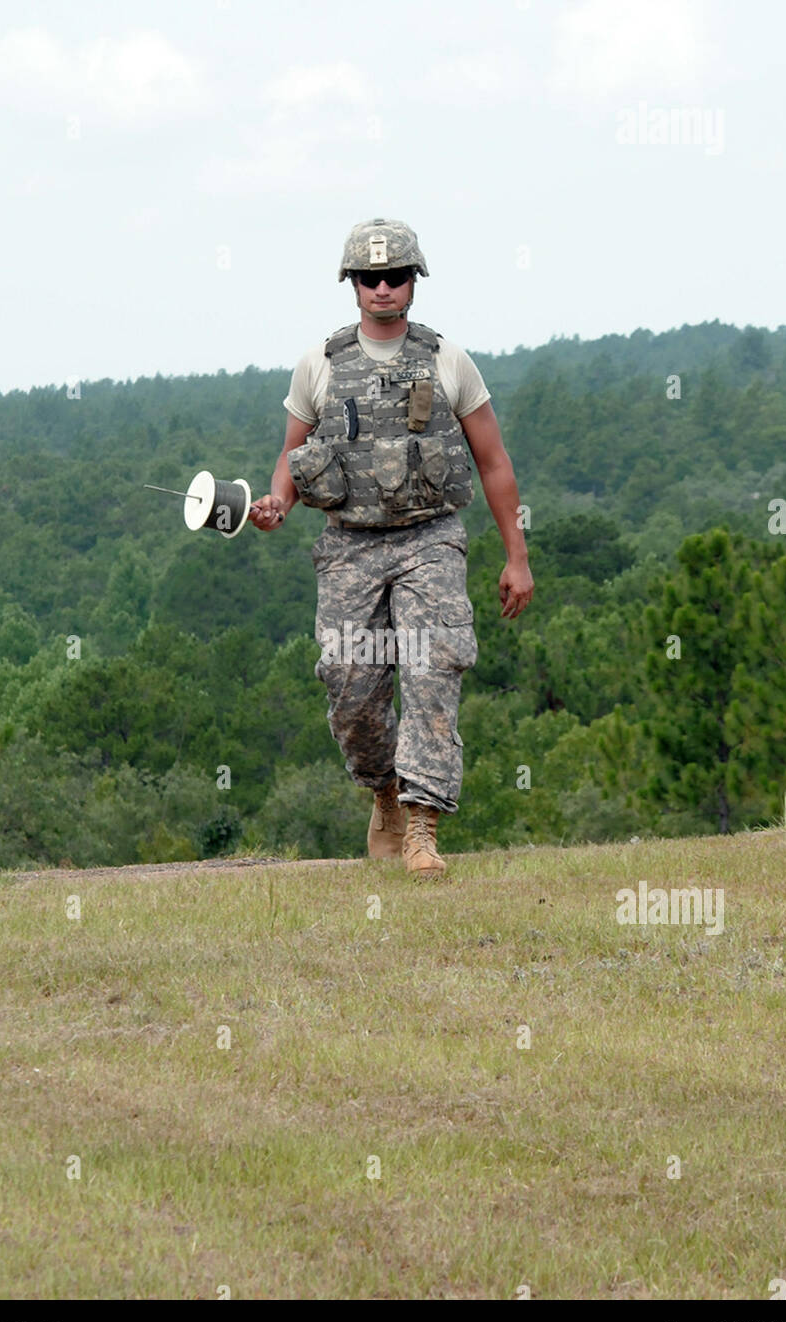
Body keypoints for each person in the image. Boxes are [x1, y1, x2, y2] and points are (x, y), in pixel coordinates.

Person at [250, 217, 533, 876]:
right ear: (352, 285)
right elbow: (292, 460)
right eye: (369, 278)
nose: (383, 288)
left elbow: (494, 463)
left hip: (429, 537)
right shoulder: (319, 365)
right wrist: (276, 505)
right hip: (348, 544)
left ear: (414, 281)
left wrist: (516, 555)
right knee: (352, 692)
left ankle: (423, 828)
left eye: (395, 276)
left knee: (434, 672)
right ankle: (384, 792)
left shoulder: (448, 361)